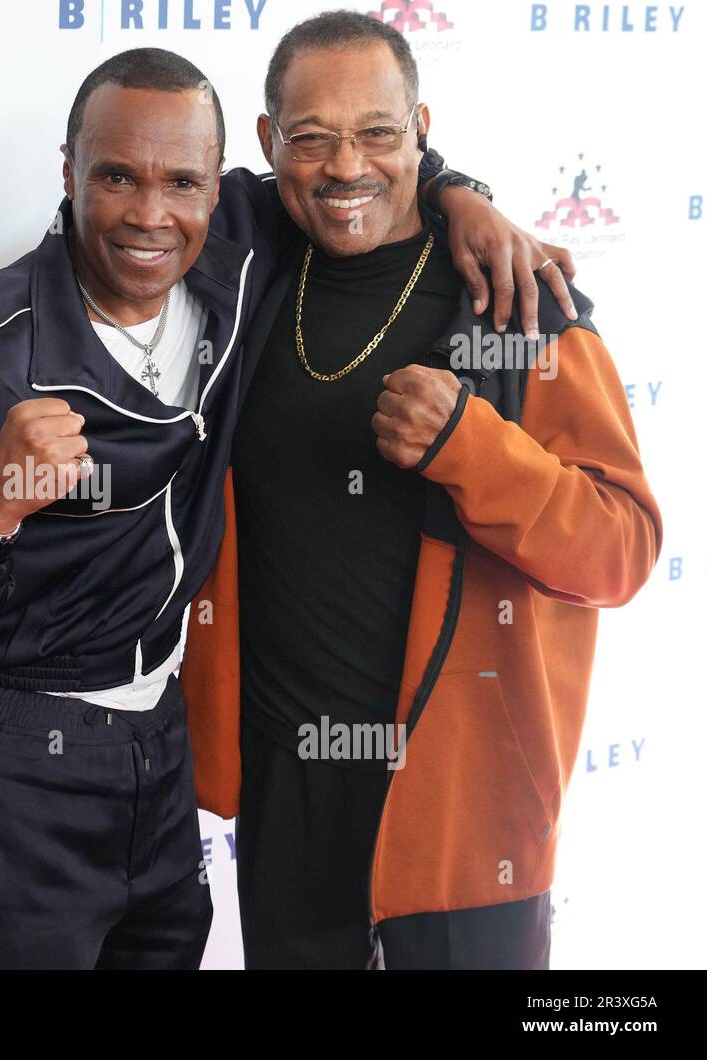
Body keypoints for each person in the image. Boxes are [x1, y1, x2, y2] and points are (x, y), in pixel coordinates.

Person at [0, 46, 564, 969]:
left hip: (161, 745)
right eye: (115, 177)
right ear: (69, 171)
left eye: (183, 182)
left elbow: (351, 167)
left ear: (223, 181)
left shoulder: (239, 251)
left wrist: (459, 195)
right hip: (6, 749)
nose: (151, 214)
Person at [180, 10, 662, 969]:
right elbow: (141, 194)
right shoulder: (253, 269)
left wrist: (470, 448)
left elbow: (624, 549)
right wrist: (455, 187)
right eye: (310, 138)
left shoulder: (522, 302)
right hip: (291, 795)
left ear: (421, 130)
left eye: (379, 134)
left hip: (464, 813)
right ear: (271, 143)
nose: (345, 166)